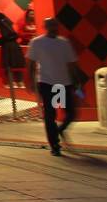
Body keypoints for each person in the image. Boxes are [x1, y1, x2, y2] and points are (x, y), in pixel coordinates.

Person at [27, 18, 81, 156]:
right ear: (45, 26)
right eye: (50, 25)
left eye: (55, 24)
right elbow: (31, 63)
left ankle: (59, 130)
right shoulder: (37, 42)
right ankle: (55, 144)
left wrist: (76, 80)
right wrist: (30, 81)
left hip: (62, 83)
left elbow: (71, 64)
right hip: (46, 82)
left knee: (70, 112)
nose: (53, 27)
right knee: (50, 114)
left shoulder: (64, 43)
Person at [0, 12, 25, 87]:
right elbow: (13, 34)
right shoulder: (7, 21)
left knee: (8, 63)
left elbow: (6, 36)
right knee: (17, 63)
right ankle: (20, 82)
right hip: (15, 45)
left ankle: (11, 82)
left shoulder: (1, 23)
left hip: (7, 46)